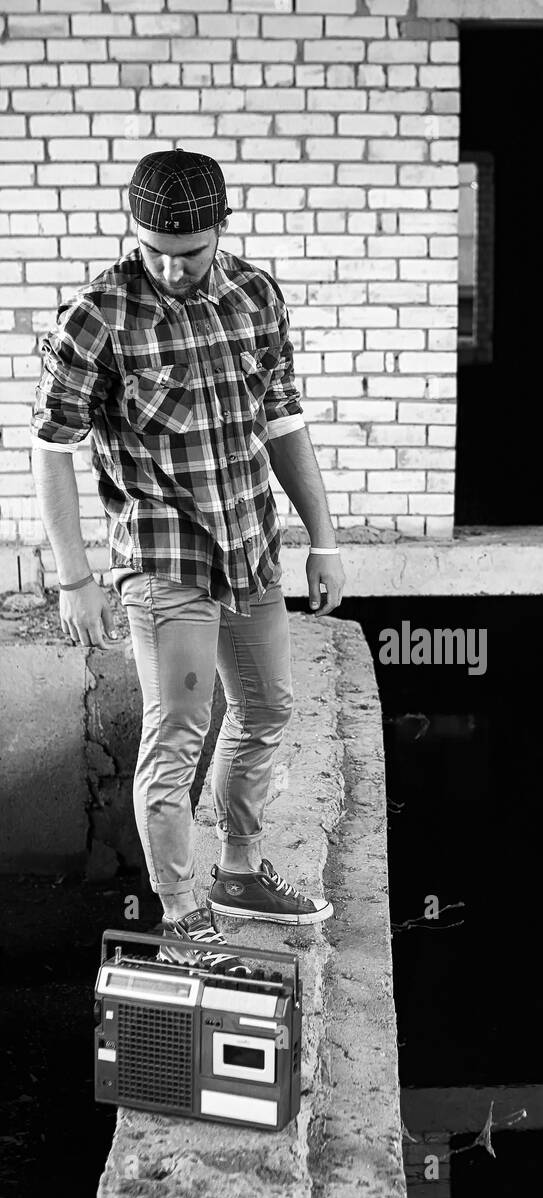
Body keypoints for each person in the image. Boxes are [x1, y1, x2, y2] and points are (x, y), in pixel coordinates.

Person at [31, 148, 346, 976]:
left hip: (249, 542)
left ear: (223, 229)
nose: (170, 267)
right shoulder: (94, 317)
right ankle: (182, 916)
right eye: (153, 250)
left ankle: (239, 873)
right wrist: (75, 576)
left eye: (191, 252)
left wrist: (324, 539)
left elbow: (282, 422)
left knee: (271, 710)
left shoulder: (255, 295)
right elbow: (52, 451)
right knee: (177, 735)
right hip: (164, 557)